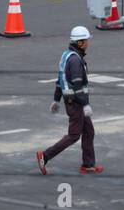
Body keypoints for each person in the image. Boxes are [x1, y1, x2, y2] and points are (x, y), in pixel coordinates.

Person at [37, 26, 103, 174]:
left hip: (73, 101)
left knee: (89, 132)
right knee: (74, 135)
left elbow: (60, 80)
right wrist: (85, 104)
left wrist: (56, 99)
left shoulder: (67, 55)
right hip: (76, 103)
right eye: (86, 40)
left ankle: (88, 164)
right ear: (80, 43)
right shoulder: (75, 61)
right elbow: (77, 85)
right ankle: (45, 156)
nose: (88, 43)